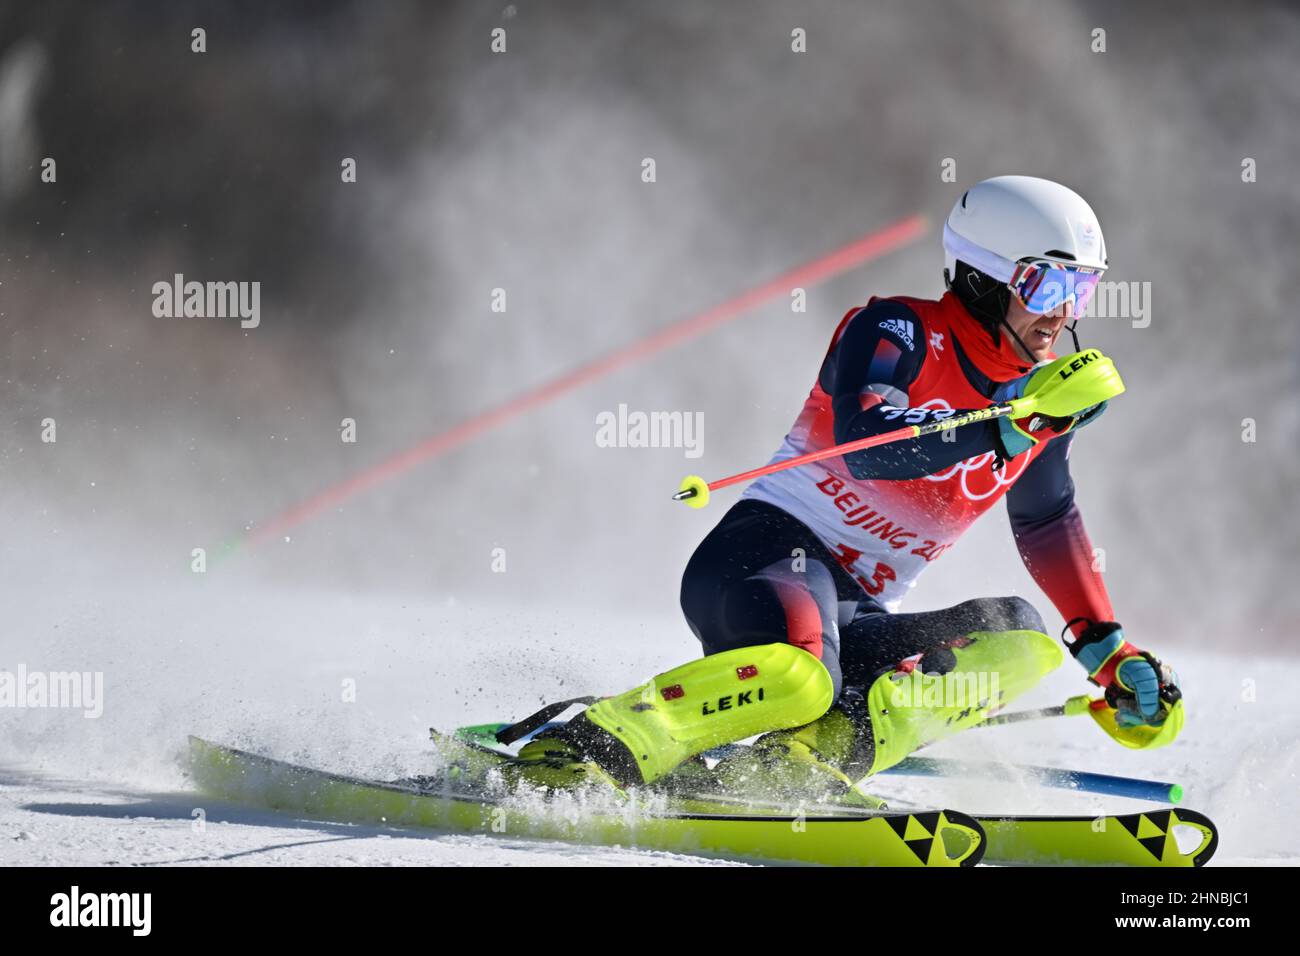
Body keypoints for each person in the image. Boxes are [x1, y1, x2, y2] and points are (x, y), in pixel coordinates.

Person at [514, 175, 1183, 800]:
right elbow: (868, 445)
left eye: (1082, 290)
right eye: (1045, 288)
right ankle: (590, 740)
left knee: (1018, 638)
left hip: (857, 614)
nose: (1061, 315)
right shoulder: (898, 329)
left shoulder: (1037, 398)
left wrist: (1108, 653)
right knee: (804, 675)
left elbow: (1045, 517)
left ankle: (808, 757)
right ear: (984, 278)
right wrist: (1007, 429)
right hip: (763, 560)